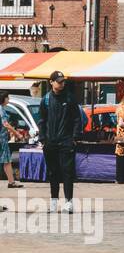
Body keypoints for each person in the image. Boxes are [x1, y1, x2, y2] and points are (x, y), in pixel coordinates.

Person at [40, 72, 81, 213]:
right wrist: (43, 139)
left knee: (67, 172)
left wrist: (74, 138)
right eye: (59, 81)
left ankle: (69, 202)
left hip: (66, 141)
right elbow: (42, 121)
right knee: (53, 173)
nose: (61, 83)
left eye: (63, 81)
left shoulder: (70, 98)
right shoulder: (45, 100)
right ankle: (53, 201)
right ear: (51, 82)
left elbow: (77, 119)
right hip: (50, 142)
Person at [0, 93, 22, 189]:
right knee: (6, 160)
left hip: (3, 139)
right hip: (1, 140)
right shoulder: (1, 109)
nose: (8, 99)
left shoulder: (2, 109)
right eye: (7, 97)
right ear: (3, 99)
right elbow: (5, 124)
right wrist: (17, 133)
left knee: (7, 160)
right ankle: (11, 182)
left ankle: (11, 182)